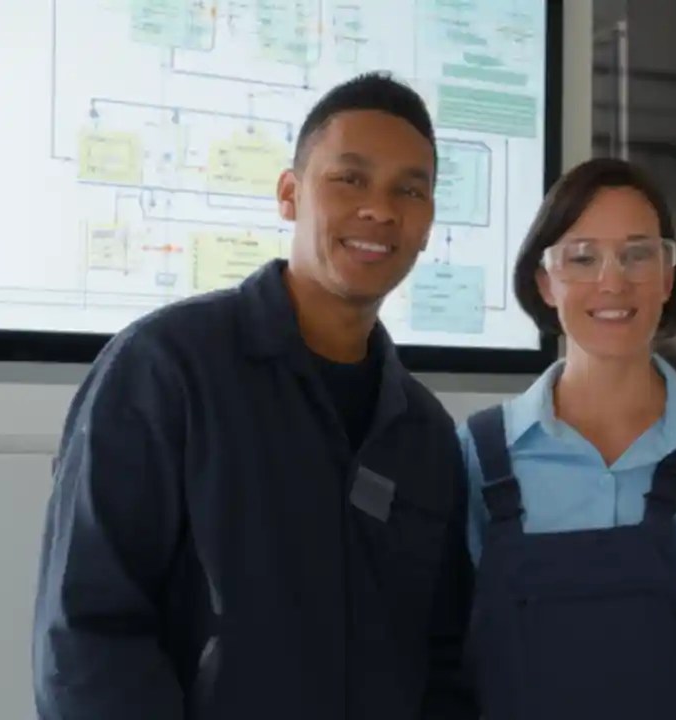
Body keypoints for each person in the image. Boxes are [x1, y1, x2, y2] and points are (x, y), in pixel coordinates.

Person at [33, 73, 477, 719]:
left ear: (428, 221)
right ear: (290, 194)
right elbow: (87, 632)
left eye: (408, 189)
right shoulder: (166, 371)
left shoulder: (426, 435)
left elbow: (438, 660)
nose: (380, 209)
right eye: (349, 178)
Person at [458, 158, 676, 720]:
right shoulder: (481, 455)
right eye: (583, 257)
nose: (613, 281)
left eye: (638, 254)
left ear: (667, 277)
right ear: (546, 282)